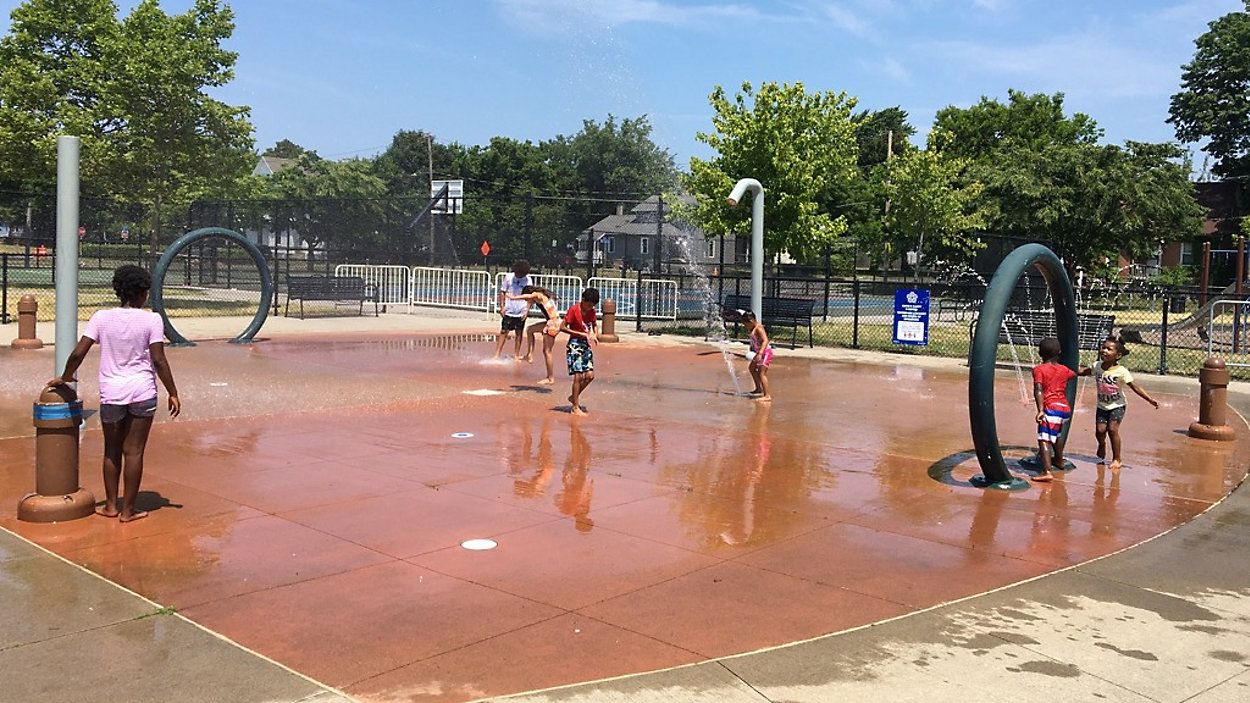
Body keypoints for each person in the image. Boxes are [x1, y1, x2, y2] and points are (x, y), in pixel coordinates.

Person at [47, 265, 181, 521]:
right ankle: (128, 511)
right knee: (134, 451)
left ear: (119, 291)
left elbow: (78, 353)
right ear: (143, 293)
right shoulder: (152, 319)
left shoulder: (101, 318)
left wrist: (65, 377)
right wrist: (172, 392)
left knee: (111, 449)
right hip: (142, 392)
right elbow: (159, 360)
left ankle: (110, 506)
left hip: (111, 393)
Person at [1078, 336, 1159, 471]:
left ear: (1118, 355)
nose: (1104, 351)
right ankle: (1102, 444)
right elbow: (1083, 372)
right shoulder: (1096, 366)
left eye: (1109, 349)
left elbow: (1135, 386)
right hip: (1102, 405)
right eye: (1103, 348)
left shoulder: (1121, 371)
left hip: (1118, 405)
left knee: (1112, 429)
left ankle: (1117, 459)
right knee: (1100, 431)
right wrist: (1069, 369)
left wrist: (1149, 399)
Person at [1031, 337, 1075, 483]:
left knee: (1044, 439)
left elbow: (1038, 389)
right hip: (1064, 408)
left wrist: (1040, 410)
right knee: (1056, 435)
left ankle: (1047, 471)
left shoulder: (1039, 369)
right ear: (1060, 352)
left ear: (1039, 353)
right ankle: (1060, 461)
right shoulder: (1064, 369)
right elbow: (1074, 374)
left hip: (1051, 408)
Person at [507, 285, 559, 385]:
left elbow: (531, 296)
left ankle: (550, 378)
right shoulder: (538, 299)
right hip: (552, 322)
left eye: (526, 298)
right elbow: (530, 302)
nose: (527, 301)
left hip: (553, 324)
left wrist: (513, 297)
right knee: (530, 329)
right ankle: (529, 355)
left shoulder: (538, 295)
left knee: (547, 352)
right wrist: (526, 311)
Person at [561, 287, 599, 416]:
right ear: (583, 300)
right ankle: (575, 407)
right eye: (588, 305)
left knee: (590, 376)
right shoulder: (573, 310)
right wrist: (580, 334)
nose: (590, 308)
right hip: (574, 344)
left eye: (592, 306)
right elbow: (562, 327)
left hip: (585, 344)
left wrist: (595, 334)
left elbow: (594, 324)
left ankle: (574, 396)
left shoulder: (592, 311)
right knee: (579, 376)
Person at [493, 259, 532, 360]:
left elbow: (529, 297)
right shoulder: (508, 277)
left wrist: (527, 310)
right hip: (509, 309)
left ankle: (516, 354)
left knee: (519, 333)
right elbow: (502, 291)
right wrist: (501, 306)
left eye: (521, 274)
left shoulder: (528, 280)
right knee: (503, 331)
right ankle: (497, 354)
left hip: (521, 310)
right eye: (518, 273)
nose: (519, 275)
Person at [741, 311, 773, 402]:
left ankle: (767, 395)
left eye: (746, 324)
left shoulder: (759, 328)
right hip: (759, 352)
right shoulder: (753, 328)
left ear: (751, 321)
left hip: (765, 352)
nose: (745, 327)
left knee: (761, 373)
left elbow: (765, 340)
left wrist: (760, 353)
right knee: (751, 368)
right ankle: (758, 389)